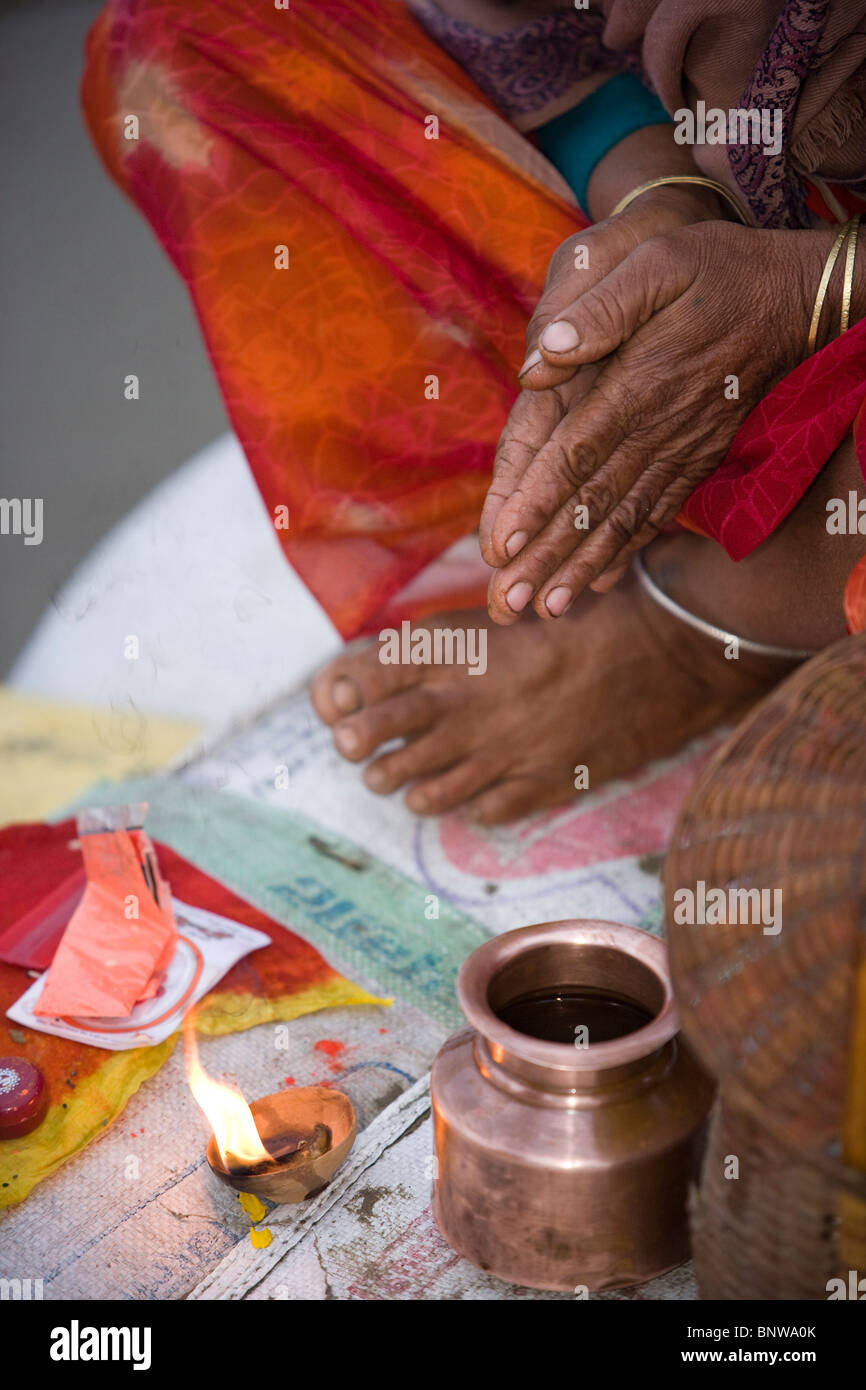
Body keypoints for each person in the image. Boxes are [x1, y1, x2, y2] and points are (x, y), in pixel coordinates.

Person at [82, 0, 866, 822]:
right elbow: (549, 50)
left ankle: (703, 632)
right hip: (758, 202)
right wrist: (661, 208)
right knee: (189, 35)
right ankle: (741, 521)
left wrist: (812, 286)